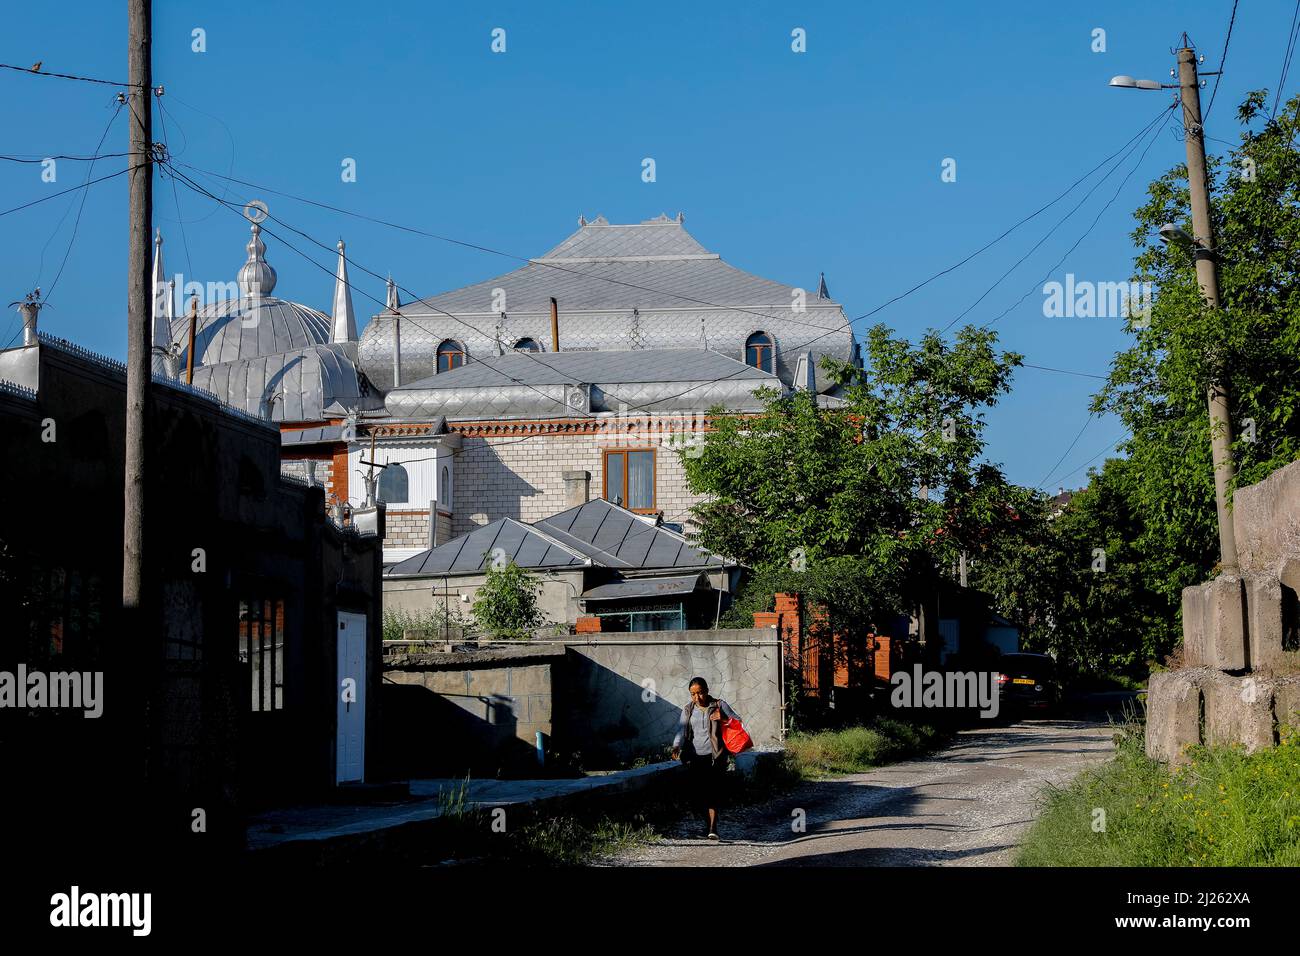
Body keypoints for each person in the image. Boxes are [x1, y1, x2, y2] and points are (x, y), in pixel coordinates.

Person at [670, 676, 740, 841]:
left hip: (715, 757)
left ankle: (712, 827)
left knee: (712, 792)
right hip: (695, 757)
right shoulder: (688, 709)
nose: (696, 697)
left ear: (707, 691)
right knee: (700, 794)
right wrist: (676, 746)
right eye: (693, 694)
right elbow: (681, 730)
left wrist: (723, 718)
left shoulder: (719, 705)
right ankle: (707, 824)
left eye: (700, 693)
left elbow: (738, 721)